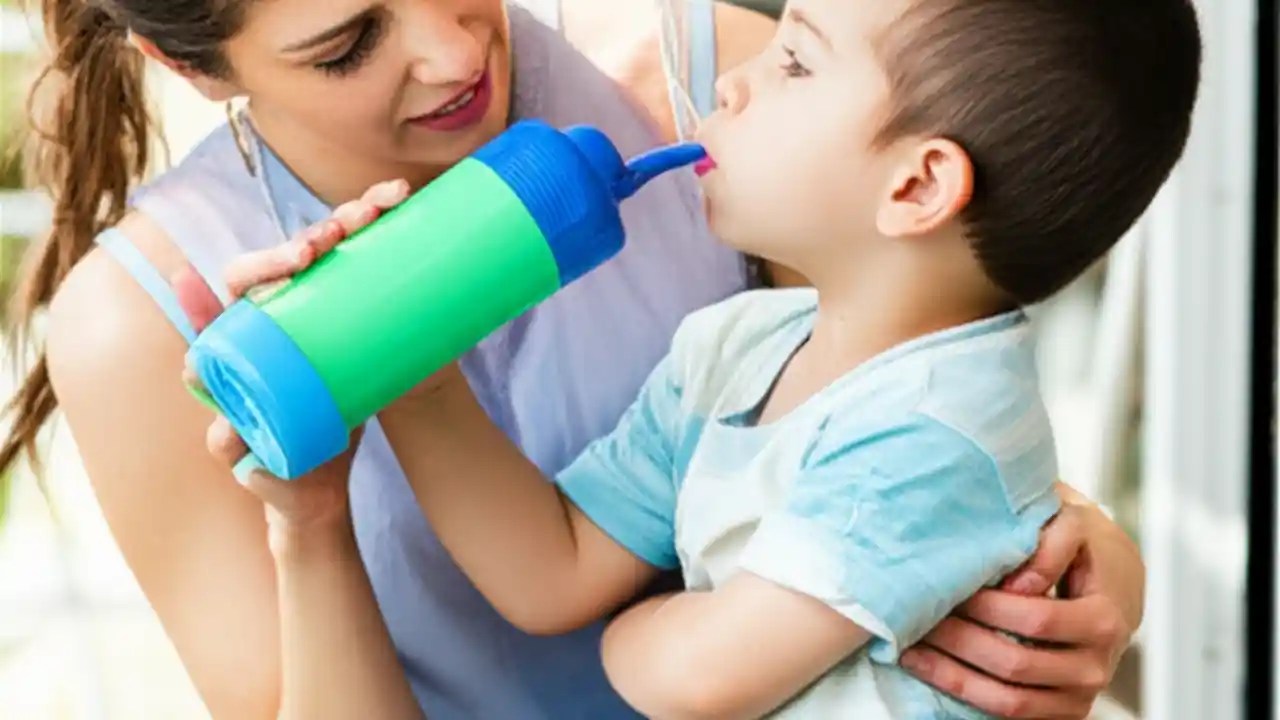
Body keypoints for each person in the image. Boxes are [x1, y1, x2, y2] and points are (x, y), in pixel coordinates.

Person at [6, 0, 1143, 717]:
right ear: (190, 65)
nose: (454, 49)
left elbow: (911, 398)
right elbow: (554, 570)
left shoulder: (717, 104)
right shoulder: (149, 322)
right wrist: (346, 452)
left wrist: (1078, 564)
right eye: (350, 41)